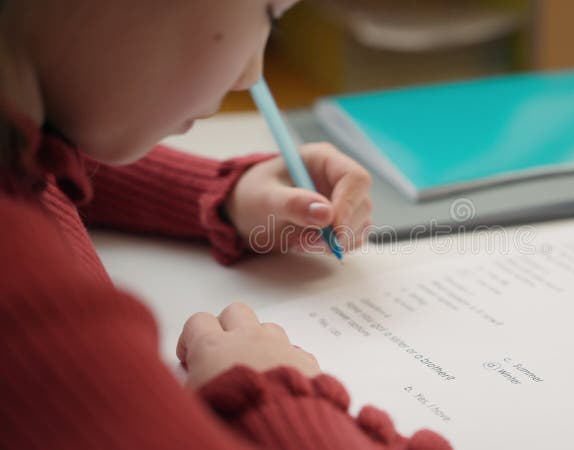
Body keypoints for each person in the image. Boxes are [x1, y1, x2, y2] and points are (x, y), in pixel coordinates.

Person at [0, 0, 452, 449]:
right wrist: (266, 393)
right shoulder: (28, 312)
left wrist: (222, 195)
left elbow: (45, 164)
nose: (250, 75)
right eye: (268, 14)